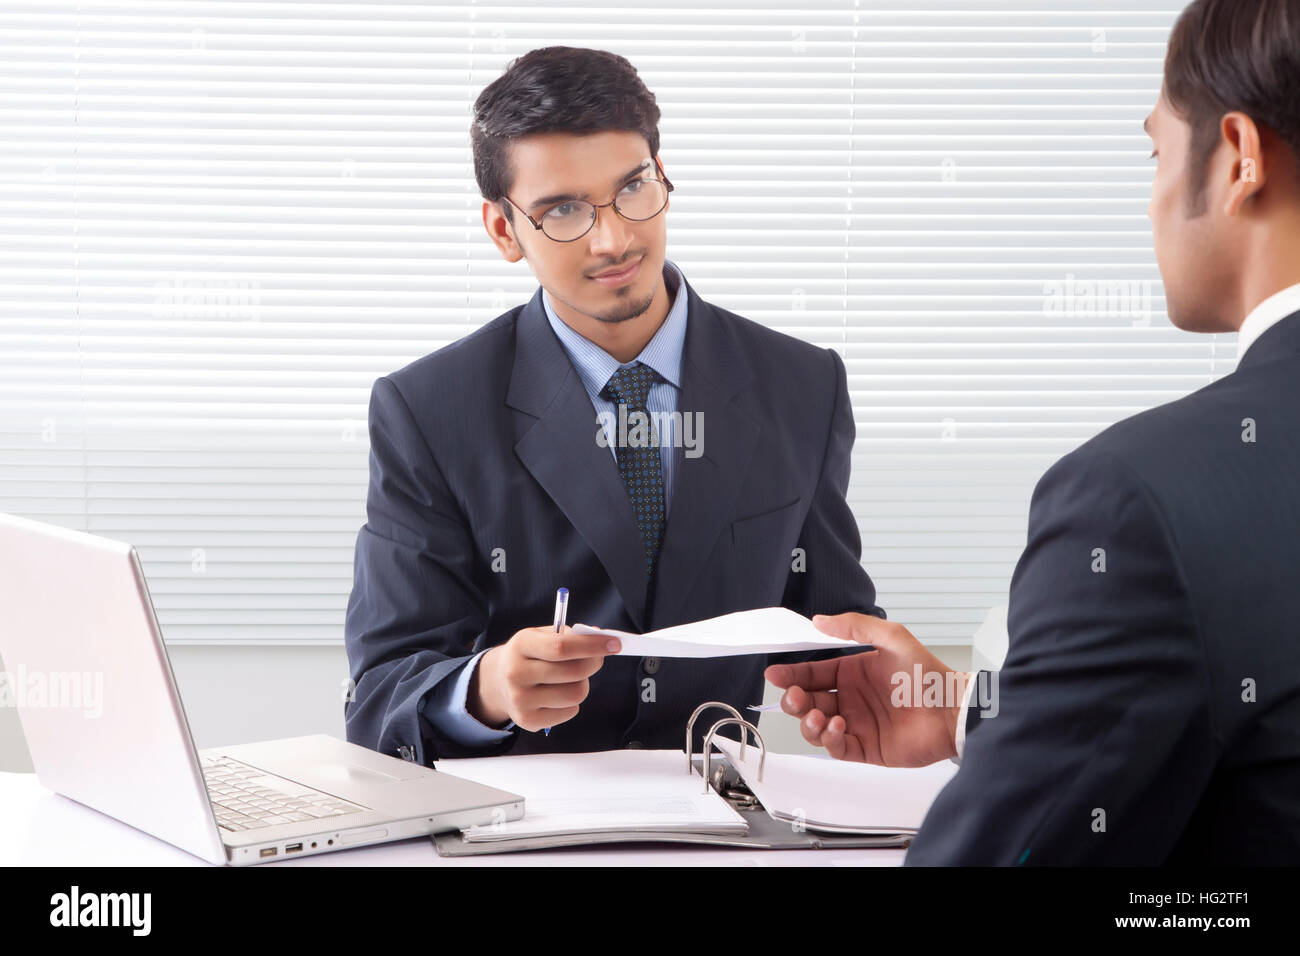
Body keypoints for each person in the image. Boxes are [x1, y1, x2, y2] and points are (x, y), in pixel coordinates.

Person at [768, 0, 1300, 865]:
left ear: (1238, 157)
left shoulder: (1141, 498)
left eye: (1155, 151)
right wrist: (976, 714)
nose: (1153, 198)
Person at [344, 47, 882, 762]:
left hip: (724, 816)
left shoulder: (802, 386)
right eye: (562, 210)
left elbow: (837, 627)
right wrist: (486, 689)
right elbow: (380, 696)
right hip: (518, 822)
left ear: (665, 177)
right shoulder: (429, 409)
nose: (614, 238)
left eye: (633, 188)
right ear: (504, 231)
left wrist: (908, 701)